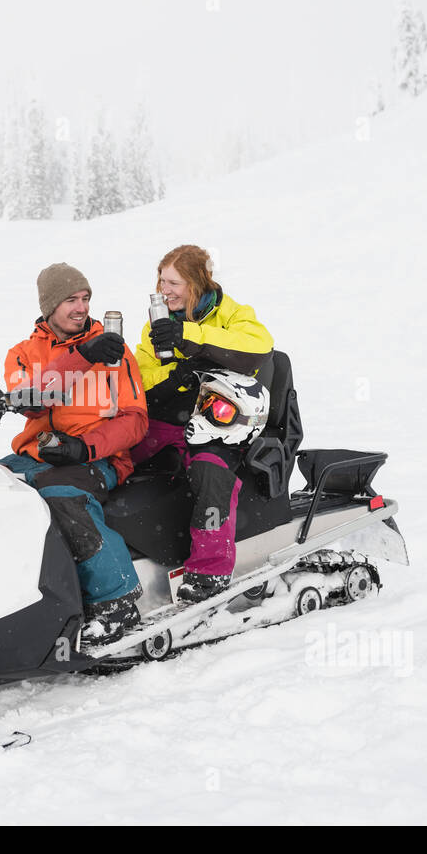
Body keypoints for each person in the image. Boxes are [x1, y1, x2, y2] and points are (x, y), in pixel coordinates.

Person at [0, 262, 149, 646]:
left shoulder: (116, 351)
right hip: (35, 456)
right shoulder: (22, 353)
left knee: (62, 497)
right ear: (49, 306)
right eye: (70, 300)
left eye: (85, 299)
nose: (81, 307)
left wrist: (86, 447)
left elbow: (136, 420)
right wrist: (81, 356)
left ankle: (118, 600)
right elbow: (30, 402)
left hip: (100, 459)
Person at [133, 244, 274, 603]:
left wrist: (192, 340)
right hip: (169, 417)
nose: (165, 290)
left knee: (212, 470)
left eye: (174, 282)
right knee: (114, 453)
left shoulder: (232, 314)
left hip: (223, 422)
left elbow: (258, 345)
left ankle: (210, 571)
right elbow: (142, 375)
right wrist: (173, 377)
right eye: (161, 281)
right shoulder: (159, 322)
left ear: (197, 282)